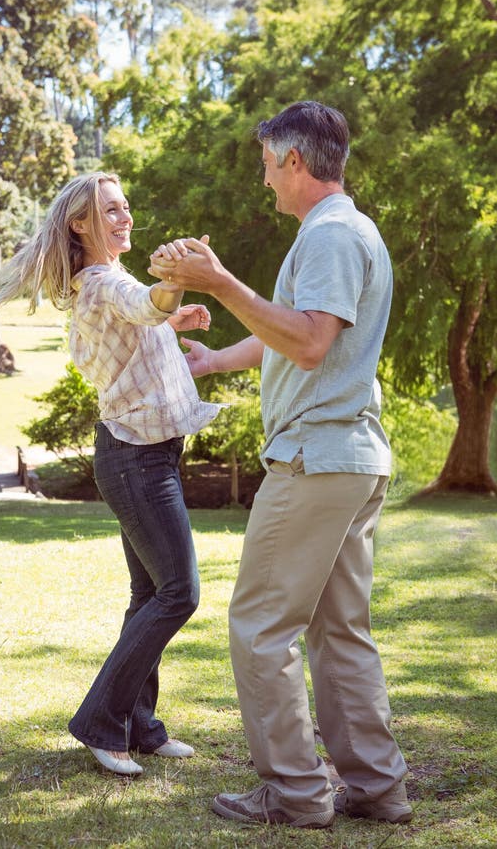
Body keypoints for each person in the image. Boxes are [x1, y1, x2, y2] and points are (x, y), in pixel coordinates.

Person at [148, 101, 411, 827]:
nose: (265, 181)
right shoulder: (349, 231)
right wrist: (214, 360)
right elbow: (288, 334)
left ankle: (296, 792)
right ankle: (376, 787)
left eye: (267, 167)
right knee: (340, 630)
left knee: (261, 624)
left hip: (315, 458)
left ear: (294, 161)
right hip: (351, 458)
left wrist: (220, 283)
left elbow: (310, 343)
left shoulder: (327, 235)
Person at [0, 171, 221, 777]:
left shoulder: (106, 284)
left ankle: (140, 727)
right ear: (80, 224)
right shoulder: (104, 282)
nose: (126, 217)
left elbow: (141, 319)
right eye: (109, 210)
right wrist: (171, 287)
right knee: (179, 593)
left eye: (126, 207)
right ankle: (98, 723)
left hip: (146, 454)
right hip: (136, 459)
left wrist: (174, 316)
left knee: (149, 595)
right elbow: (140, 303)